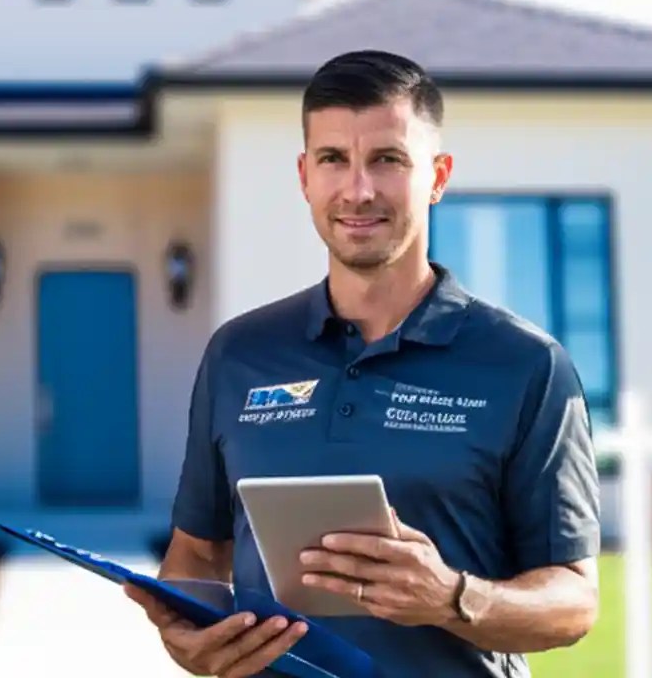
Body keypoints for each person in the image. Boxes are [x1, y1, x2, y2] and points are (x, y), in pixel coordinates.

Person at [125, 49, 601, 678]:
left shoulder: (527, 366)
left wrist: (452, 597)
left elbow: (573, 601)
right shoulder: (239, 354)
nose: (358, 190)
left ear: (437, 176)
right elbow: (195, 553)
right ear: (303, 175)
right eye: (333, 160)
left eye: (388, 159)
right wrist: (186, 631)